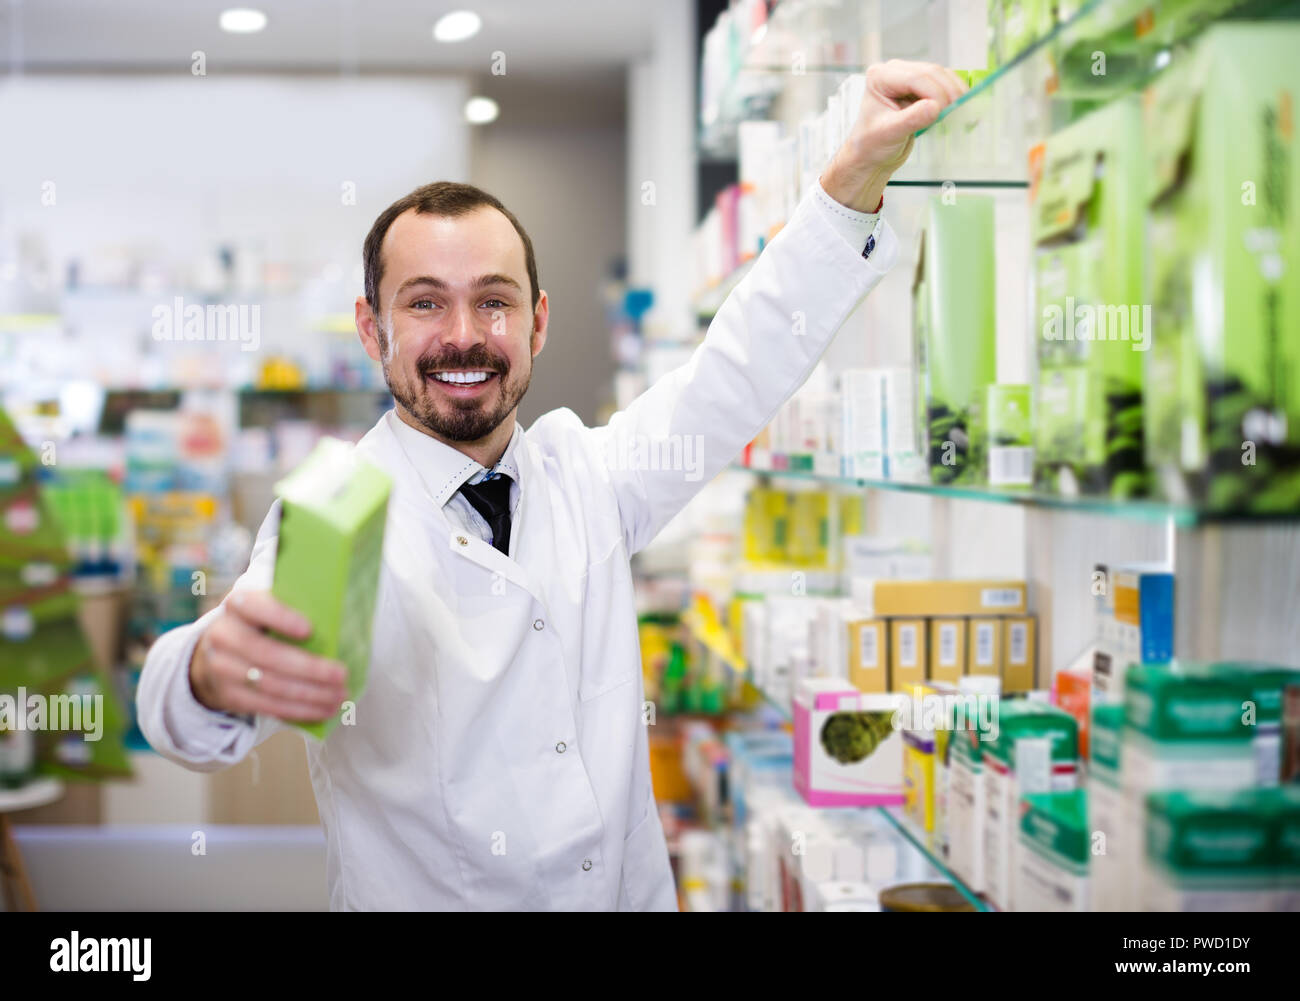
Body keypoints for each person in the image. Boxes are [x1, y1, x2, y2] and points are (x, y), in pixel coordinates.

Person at [137, 60, 967, 911]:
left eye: (493, 302)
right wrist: (205, 671)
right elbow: (192, 711)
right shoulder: (344, 515)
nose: (465, 337)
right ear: (370, 327)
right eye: (425, 304)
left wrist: (850, 179)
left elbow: (736, 370)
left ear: (537, 320)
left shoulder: (588, 474)